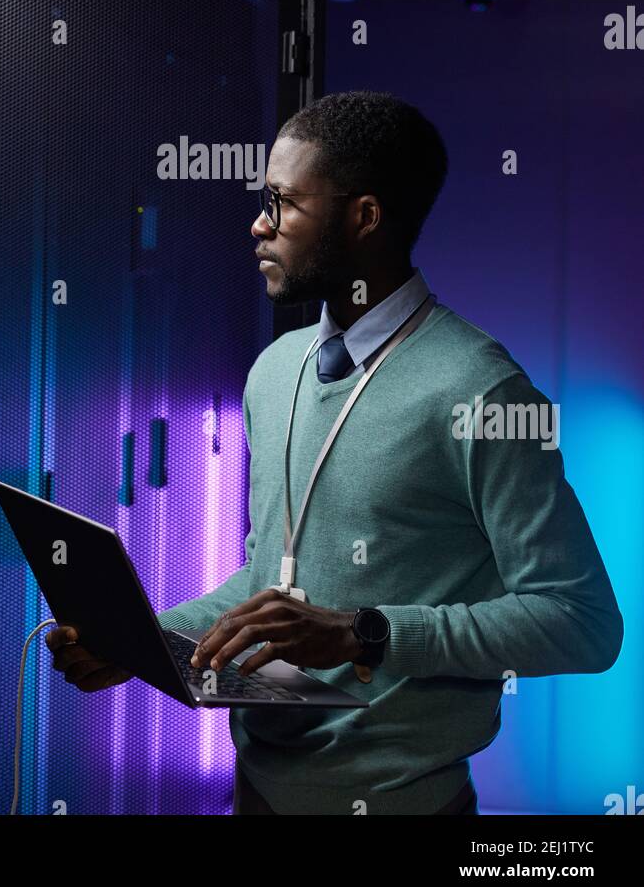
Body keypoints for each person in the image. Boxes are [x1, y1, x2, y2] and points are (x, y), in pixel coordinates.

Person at [47, 89, 623, 815]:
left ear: (365, 217)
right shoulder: (276, 369)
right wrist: (149, 644)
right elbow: (269, 583)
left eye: (283, 203)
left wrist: (367, 632)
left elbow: (581, 622)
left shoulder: (484, 391)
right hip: (256, 792)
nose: (259, 225)